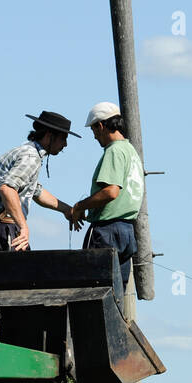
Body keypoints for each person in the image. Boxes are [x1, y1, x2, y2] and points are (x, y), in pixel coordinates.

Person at [0, 110, 82, 252]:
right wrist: (23, 227)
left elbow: (36, 191)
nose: (65, 144)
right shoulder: (31, 157)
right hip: (4, 229)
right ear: (49, 136)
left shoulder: (26, 151)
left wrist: (67, 210)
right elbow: (7, 189)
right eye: (63, 138)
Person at [70, 102, 145, 287]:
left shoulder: (114, 151)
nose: (95, 137)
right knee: (116, 295)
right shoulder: (130, 151)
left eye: (94, 131)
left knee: (92, 289)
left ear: (101, 125)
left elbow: (111, 191)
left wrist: (79, 206)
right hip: (127, 231)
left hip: (107, 230)